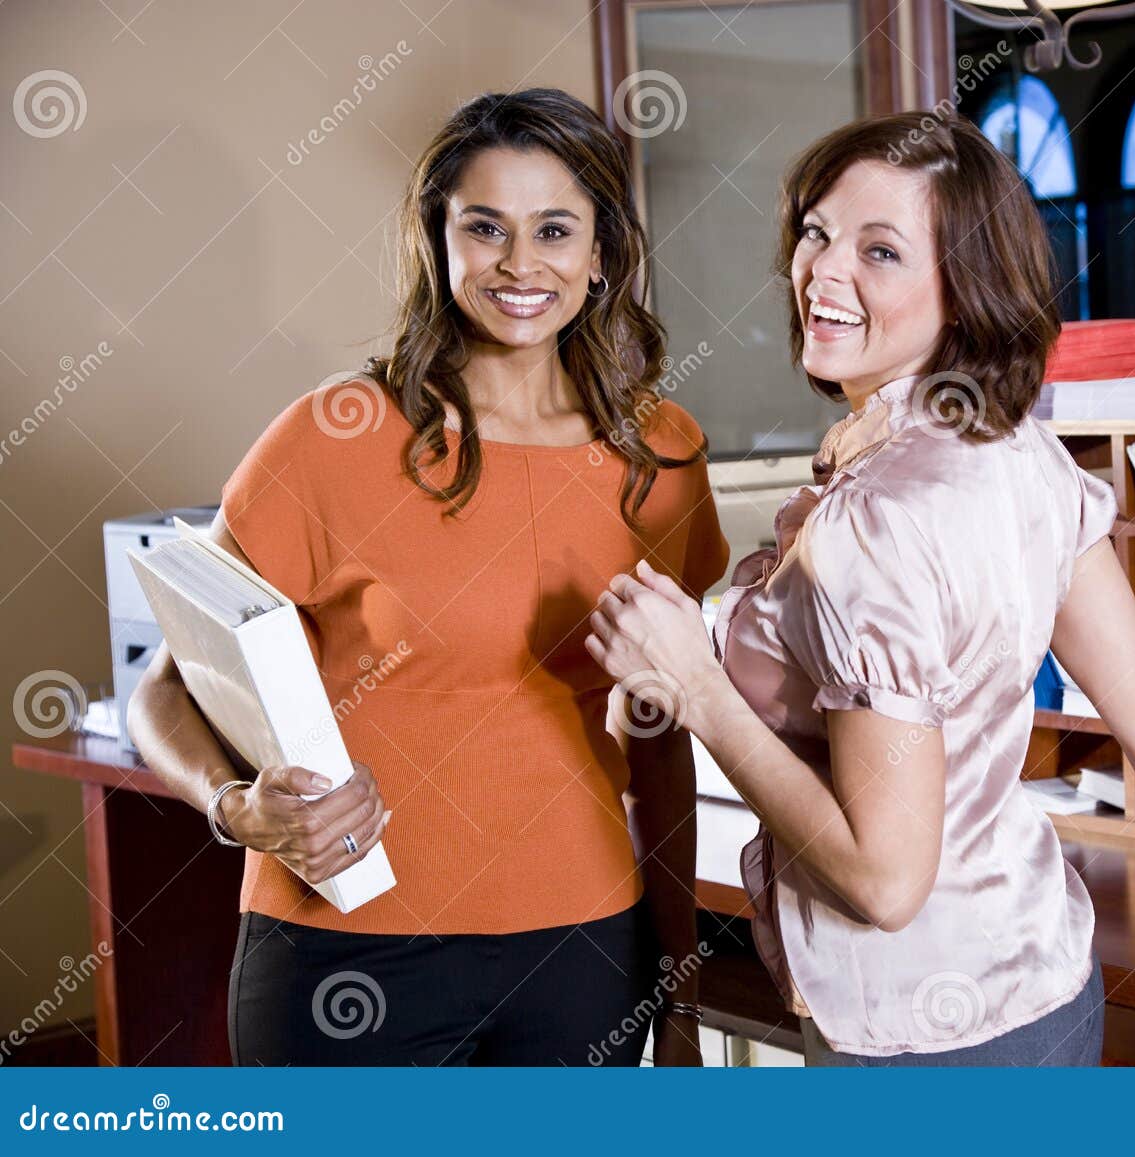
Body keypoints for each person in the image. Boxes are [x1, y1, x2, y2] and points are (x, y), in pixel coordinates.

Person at [584, 111, 1135, 1067]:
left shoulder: (877, 521)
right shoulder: (1018, 451)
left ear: (964, 291)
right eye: (818, 233)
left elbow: (886, 882)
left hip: (923, 1041)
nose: (823, 272)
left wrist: (699, 688)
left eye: (880, 249)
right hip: (1045, 994)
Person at [128, 87, 728, 1067]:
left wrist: (679, 978)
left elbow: (659, 740)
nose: (520, 264)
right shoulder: (333, 436)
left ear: (603, 254)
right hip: (342, 945)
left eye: (554, 230)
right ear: (438, 241)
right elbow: (164, 681)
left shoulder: (660, 454)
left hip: (581, 948)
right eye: (484, 227)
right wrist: (238, 808)